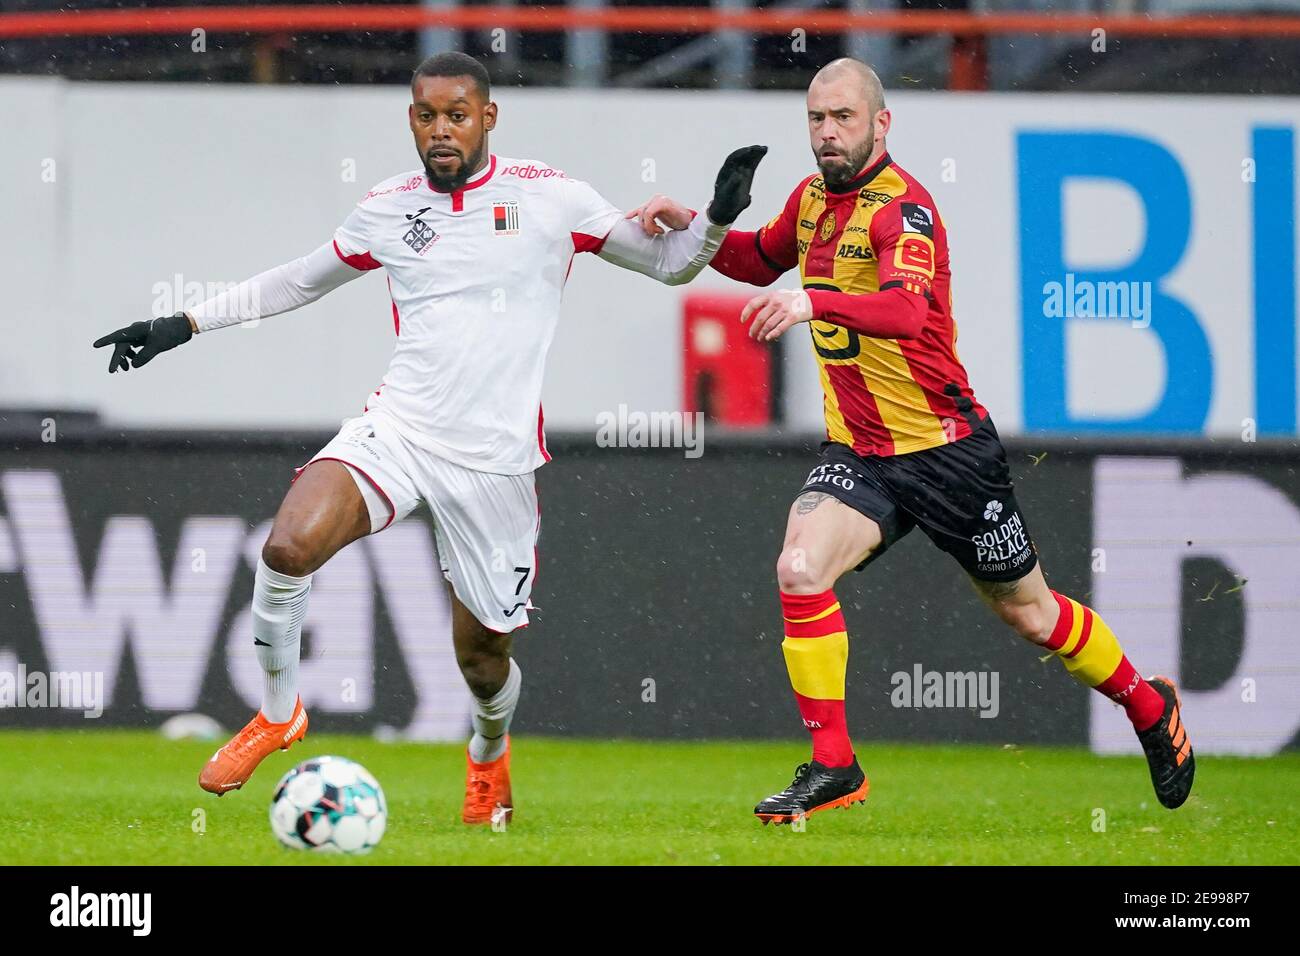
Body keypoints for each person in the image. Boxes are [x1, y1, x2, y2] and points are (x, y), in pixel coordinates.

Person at [93, 51, 767, 827]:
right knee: (285, 550)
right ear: (410, 119)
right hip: (400, 430)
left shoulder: (552, 198)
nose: (440, 130)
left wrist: (716, 215)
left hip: (494, 464)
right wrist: (179, 323)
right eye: (425, 115)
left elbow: (674, 266)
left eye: (456, 114)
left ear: (488, 117)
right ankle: (279, 715)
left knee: (483, 662)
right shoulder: (388, 207)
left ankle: (487, 754)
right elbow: (299, 279)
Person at [629, 57, 1194, 824]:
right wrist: (700, 224)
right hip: (861, 453)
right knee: (799, 568)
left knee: (1031, 616)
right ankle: (836, 766)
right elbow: (755, 262)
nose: (827, 133)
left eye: (844, 118)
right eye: (816, 119)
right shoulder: (810, 201)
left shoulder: (906, 210)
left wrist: (811, 302)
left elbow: (904, 312)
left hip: (946, 450)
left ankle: (1147, 708)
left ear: (881, 123)